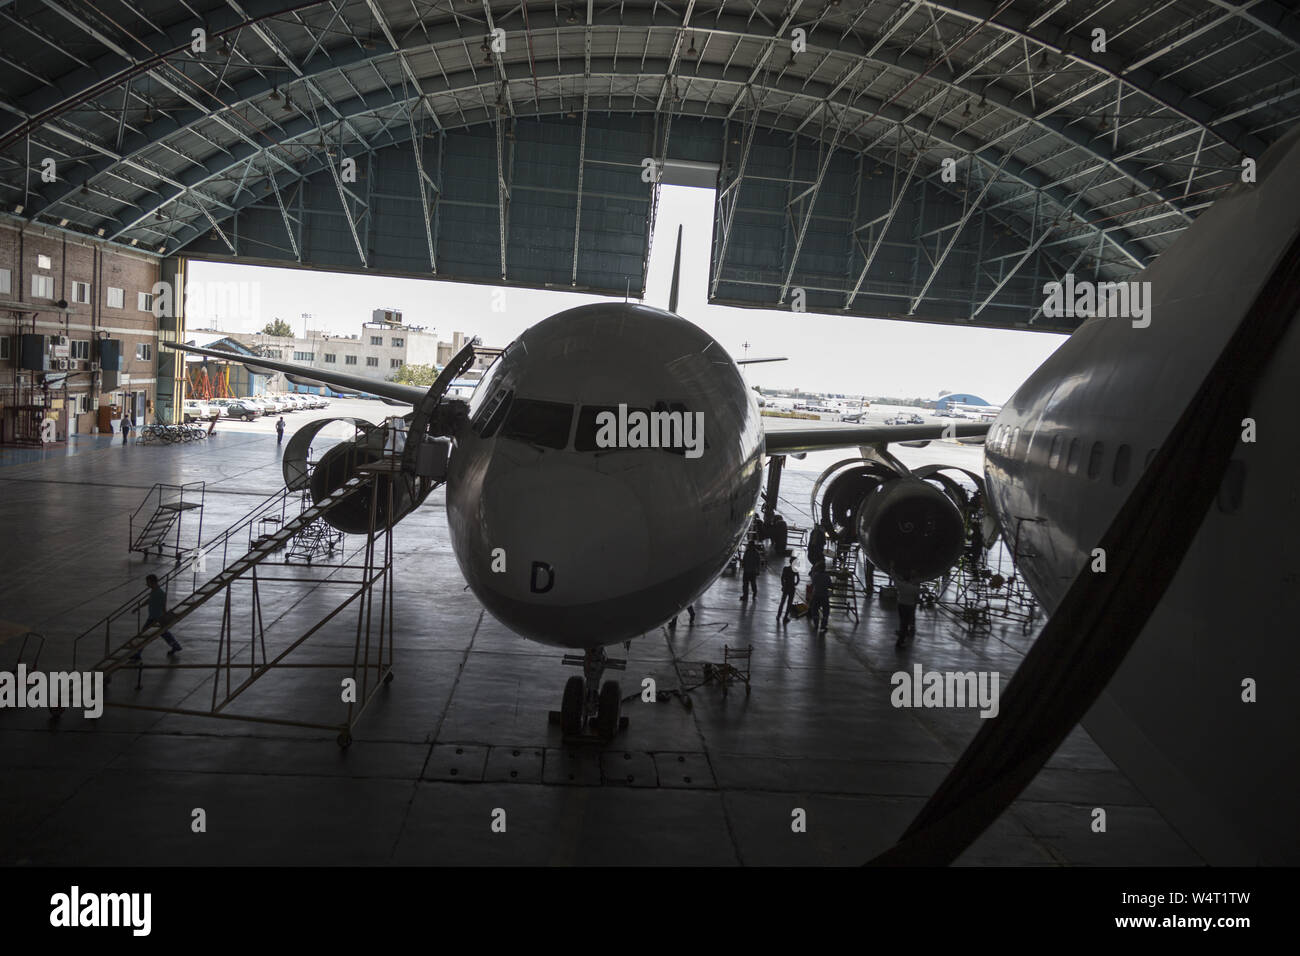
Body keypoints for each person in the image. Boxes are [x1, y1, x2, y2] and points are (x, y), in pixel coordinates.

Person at [143, 573, 182, 655]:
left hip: (156, 618)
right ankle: (176, 646)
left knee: (143, 635)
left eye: (148, 582)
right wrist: (138, 607)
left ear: (152, 582)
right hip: (154, 617)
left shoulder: (160, 593)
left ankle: (137, 654)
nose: (147, 584)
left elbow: (163, 606)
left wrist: (165, 616)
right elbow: (149, 600)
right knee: (165, 634)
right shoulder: (154, 591)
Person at [895, 569, 920, 647]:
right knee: (906, 623)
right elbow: (921, 591)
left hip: (901, 605)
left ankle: (902, 635)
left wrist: (892, 568)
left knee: (903, 621)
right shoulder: (913, 588)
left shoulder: (900, 585)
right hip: (909, 606)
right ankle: (900, 641)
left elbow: (894, 577)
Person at [808, 561, 832, 634]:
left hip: (816, 595)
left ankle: (816, 624)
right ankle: (823, 626)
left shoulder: (815, 576)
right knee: (826, 611)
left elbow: (813, 584)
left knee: (814, 609)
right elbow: (830, 585)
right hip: (824, 595)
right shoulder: (827, 576)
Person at [778, 557, 800, 623]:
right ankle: (785, 617)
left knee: (782, 602)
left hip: (786, 586)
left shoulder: (785, 568)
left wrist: (783, 585)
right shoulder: (795, 570)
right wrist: (795, 584)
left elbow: (782, 578)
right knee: (789, 603)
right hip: (792, 587)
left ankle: (778, 616)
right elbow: (798, 579)